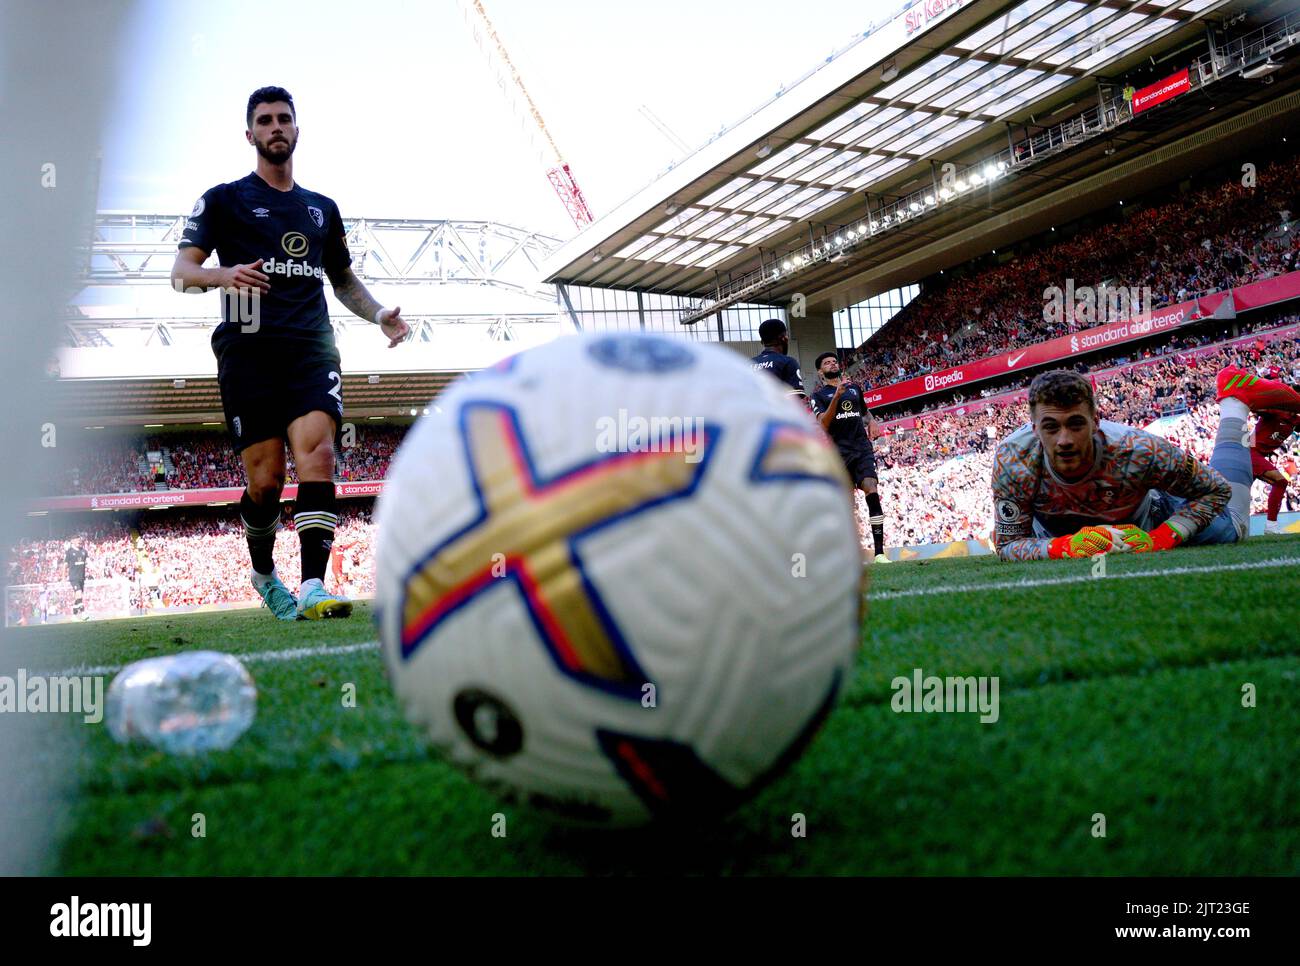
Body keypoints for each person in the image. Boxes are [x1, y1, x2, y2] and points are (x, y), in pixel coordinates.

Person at [170, 86, 410, 620]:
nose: (276, 127)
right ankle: (263, 572)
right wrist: (221, 275)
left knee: (319, 455)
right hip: (248, 353)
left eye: (284, 119)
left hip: (311, 349)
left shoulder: (321, 210)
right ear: (250, 134)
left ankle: (312, 586)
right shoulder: (223, 200)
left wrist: (377, 315)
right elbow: (181, 275)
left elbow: (342, 278)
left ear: (297, 131)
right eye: (265, 120)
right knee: (266, 480)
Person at [991, 367, 1300, 561]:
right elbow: (1007, 546)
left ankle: (1235, 404)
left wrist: (1161, 538)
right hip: (1053, 534)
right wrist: (1066, 547)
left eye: (1075, 424)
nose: (1064, 440)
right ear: (1034, 429)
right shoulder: (1013, 460)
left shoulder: (1137, 449)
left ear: (1096, 422)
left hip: (1151, 517)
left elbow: (1216, 490)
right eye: (1050, 427)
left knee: (1235, 527)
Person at [811, 351, 890, 563]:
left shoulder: (854, 388)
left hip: (862, 448)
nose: (832, 364)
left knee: (871, 488)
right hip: (839, 452)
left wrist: (872, 421)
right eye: (826, 363)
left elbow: (864, 411)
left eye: (834, 361)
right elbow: (824, 424)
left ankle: (880, 553)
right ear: (820, 371)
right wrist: (836, 396)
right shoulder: (818, 396)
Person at [1249, 404, 1299, 534]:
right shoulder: (1275, 411)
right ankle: (1271, 526)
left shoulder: (1295, 420)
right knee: (1281, 482)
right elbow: (1255, 407)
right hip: (1250, 452)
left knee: (1239, 490)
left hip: (1259, 456)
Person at [750, 318, 805, 400]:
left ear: (762, 342)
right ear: (784, 338)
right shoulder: (788, 362)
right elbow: (795, 398)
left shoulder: (747, 364)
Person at [63, 537, 88, 620]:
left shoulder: (84, 551)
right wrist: (63, 577)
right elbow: (65, 565)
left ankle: (74, 616)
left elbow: (88, 561)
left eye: (80, 540)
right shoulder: (69, 552)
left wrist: (96, 569)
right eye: (77, 540)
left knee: (78, 597)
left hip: (82, 577)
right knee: (79, 593)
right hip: (73, 577)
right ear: (72, 541)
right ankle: (83, 613)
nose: (79, 541)